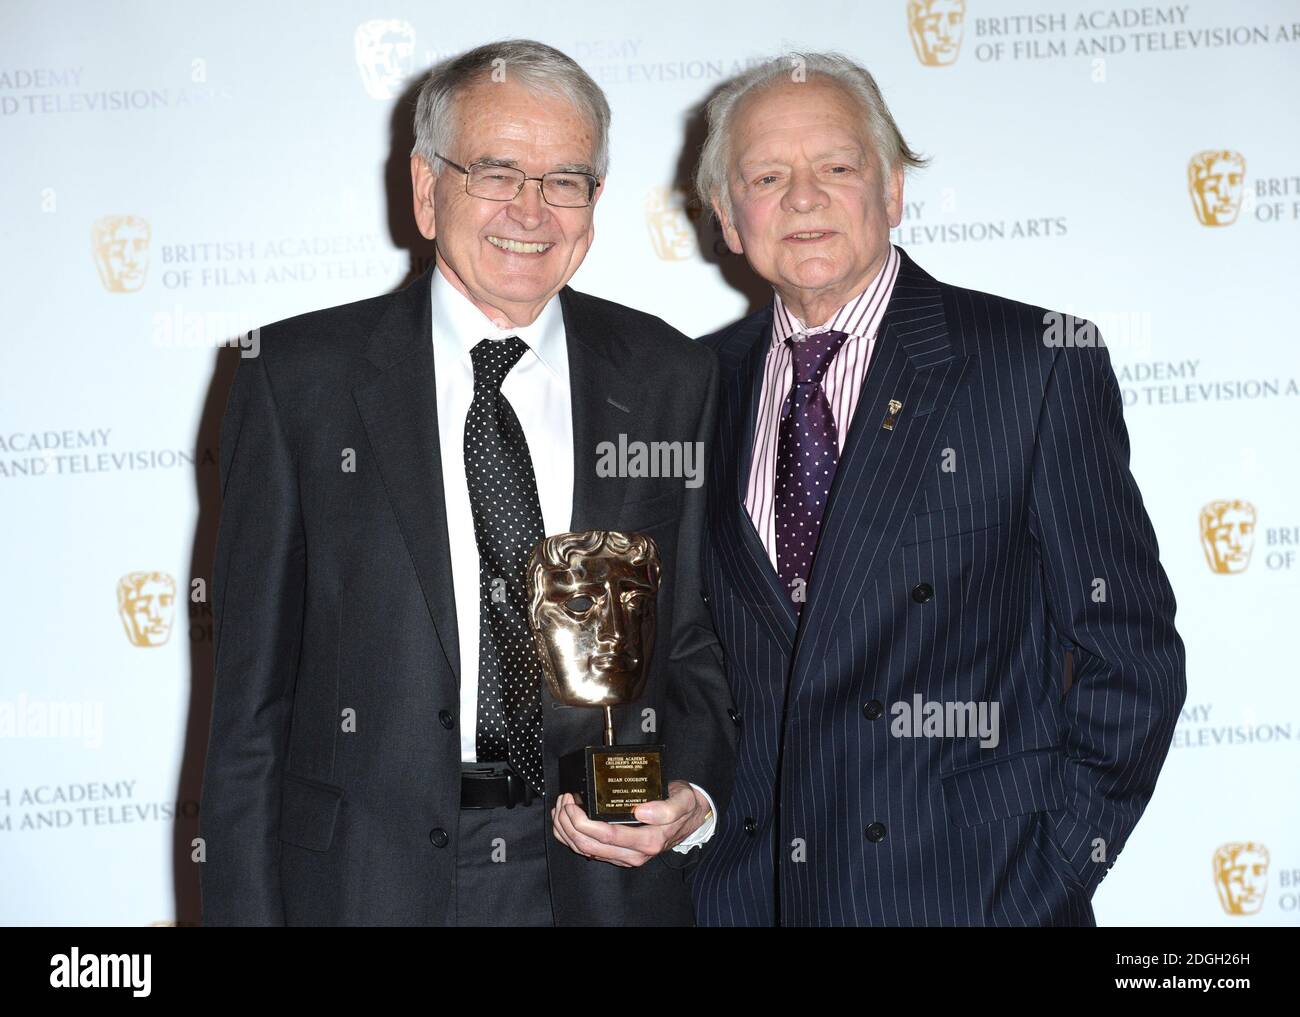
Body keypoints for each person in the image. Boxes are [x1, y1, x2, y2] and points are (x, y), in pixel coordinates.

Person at [198, 39, 734, 926]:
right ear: (424, 190)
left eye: (566, 179)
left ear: (596, 205)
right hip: (364, 883)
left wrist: (696, 792)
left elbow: (692, 646)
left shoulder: (669, 376)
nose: (532, 209)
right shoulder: (297, 380)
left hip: (602, 881)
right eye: (496, 171)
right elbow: (250, 707)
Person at [687, 51, 1186, 926]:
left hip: (971, 892)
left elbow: (1131, 655)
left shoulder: (1031, 364)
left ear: (891, 191)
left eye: (837, 167)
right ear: (729, 218)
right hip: (749, 901)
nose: (804, 197)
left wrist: (1048, 877)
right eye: (767, 176)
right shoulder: (693, 387)